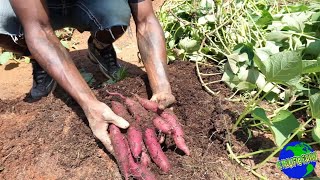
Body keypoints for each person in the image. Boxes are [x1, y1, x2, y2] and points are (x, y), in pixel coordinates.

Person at [0, 0, 176, 154]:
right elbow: (38, 30)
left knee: (116, 13)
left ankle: (100, 46)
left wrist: (162, 88)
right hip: (34, 10)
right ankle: (40, 59)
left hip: (86, 3)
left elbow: (146, 21)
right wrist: (90, 105)